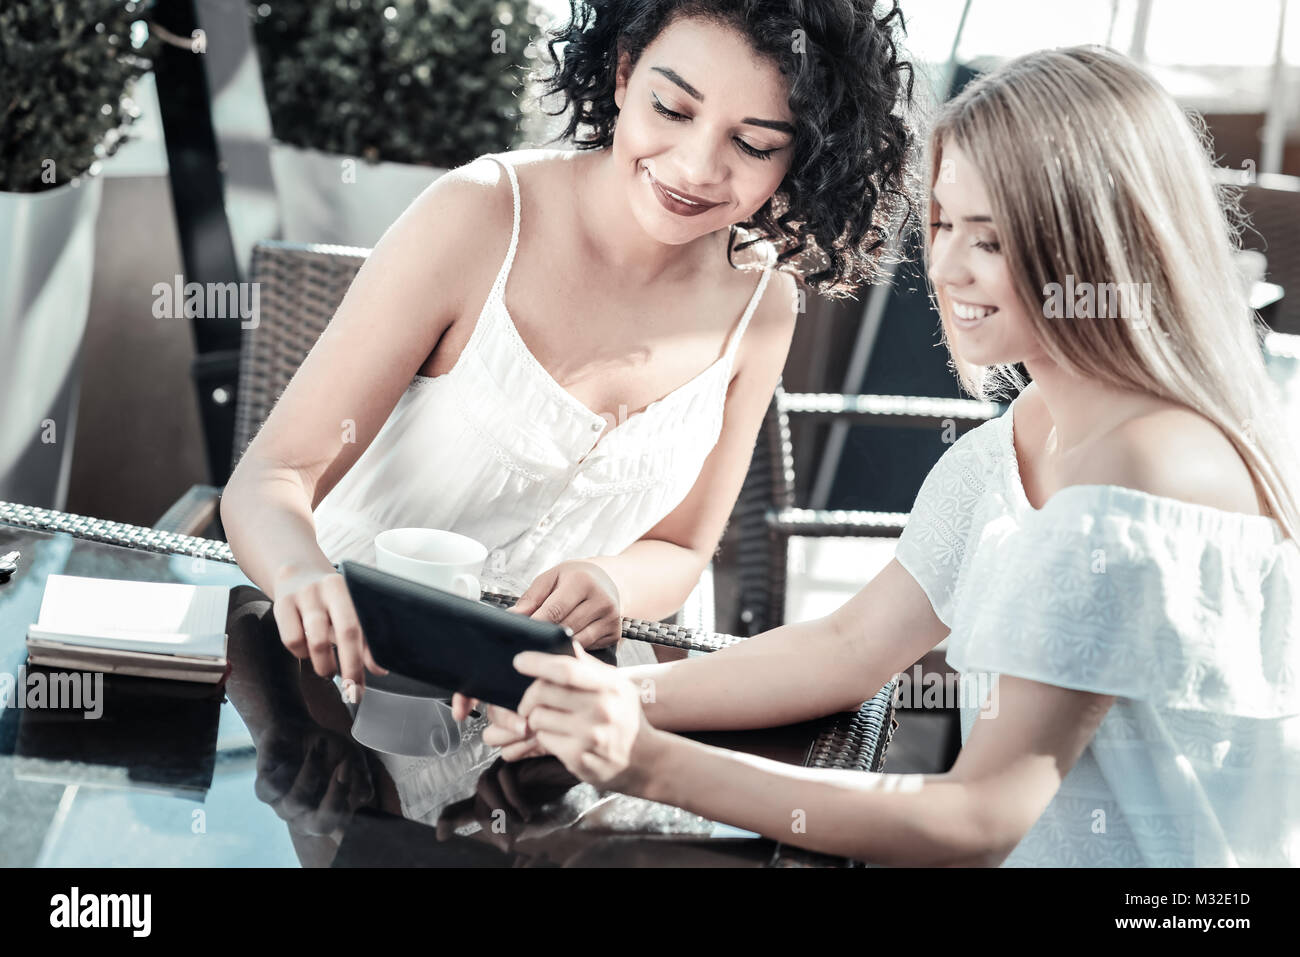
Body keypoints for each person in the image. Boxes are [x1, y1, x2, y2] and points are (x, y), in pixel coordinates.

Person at [479, 45, 1300, 867]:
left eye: (994, 238)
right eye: (943, 223)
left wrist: (647, 761)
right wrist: (609, 696)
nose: (943, 266)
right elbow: (847, 647)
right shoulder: (1020, 441)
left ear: (1098, 244)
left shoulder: (1138, 483)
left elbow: (979, 818)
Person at [220, 0, 914, 823]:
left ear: (801, 155)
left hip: (555, 746)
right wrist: (301, 573)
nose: (694, 166)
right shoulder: (478, 216)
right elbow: (271, 478)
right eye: (671, 107)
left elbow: (685, 545)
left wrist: (611, 580)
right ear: (623, 74)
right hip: (348, 693)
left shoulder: (763, 307)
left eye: (753, 143)